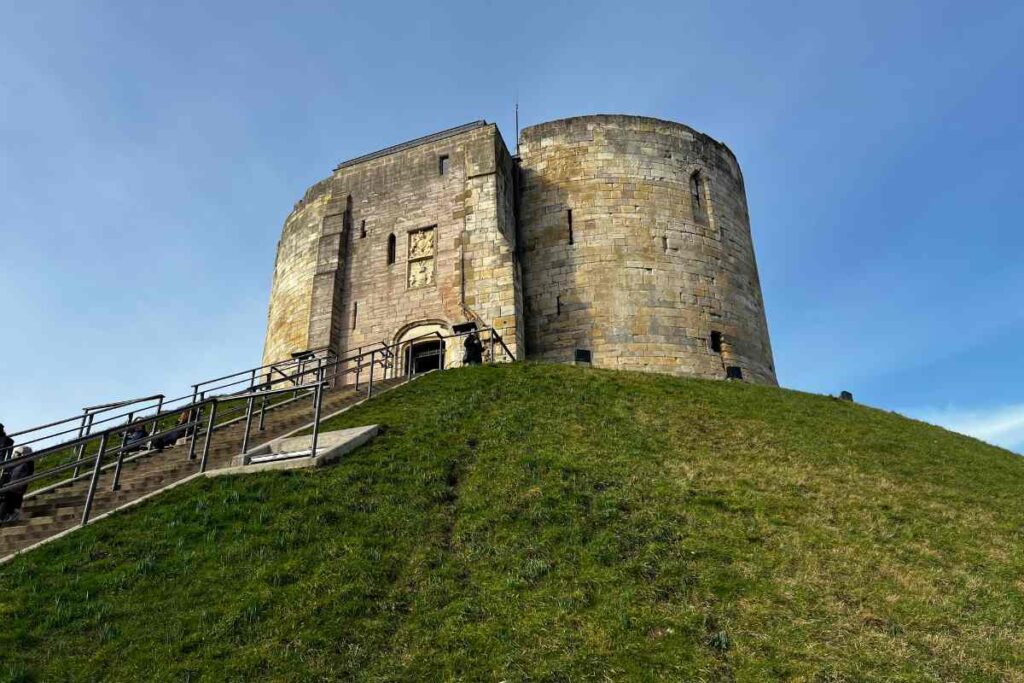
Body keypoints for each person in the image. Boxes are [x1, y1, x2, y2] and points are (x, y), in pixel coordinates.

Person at [0, 446, 34, 524]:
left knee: (9, 503)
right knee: (8, 502)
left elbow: (23, 476)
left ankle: (9, 516)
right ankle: (8, 516)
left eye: (17, 453)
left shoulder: (26, 464)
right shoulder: (15, 463)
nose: (14, 455)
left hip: (15, 488)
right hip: (12, 487)